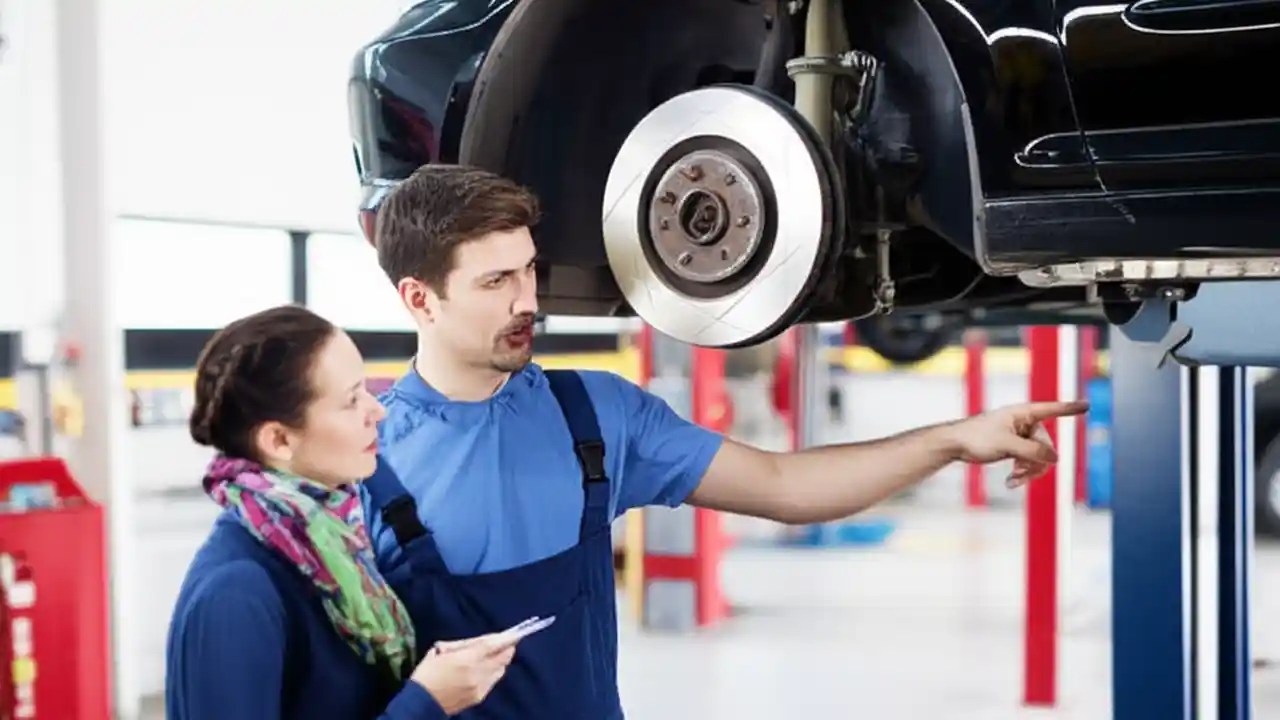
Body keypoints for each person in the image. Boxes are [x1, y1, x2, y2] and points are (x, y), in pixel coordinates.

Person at [362, 164, 1089, 718]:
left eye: (528, 270)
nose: (527, 300)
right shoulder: (360, 460)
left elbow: (783, 487)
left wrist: (952, 439)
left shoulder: (592, 414)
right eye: (495, 282)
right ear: (419, 299)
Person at [164, 305, 530, 719]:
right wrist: (426, 702)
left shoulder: (332, 546)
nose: (378, 411)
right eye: (350, 400)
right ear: (279, 440)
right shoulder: (237, 596)